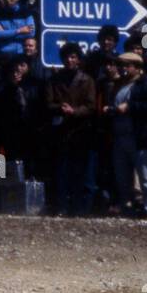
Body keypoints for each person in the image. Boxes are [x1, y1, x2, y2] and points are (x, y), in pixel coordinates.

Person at [104, 52, 147, 218]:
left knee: (146, 176)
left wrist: (130, 107)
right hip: (119, 137)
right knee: (122, 176)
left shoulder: (146, 84)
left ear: (137, 68)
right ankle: (127, 209)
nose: (123, 69)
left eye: (127, 66)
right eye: (122, 65)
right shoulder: (118, 85)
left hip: (139, 137)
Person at [45, 42, 96, 215]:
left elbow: (90, 106)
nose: (70, 60)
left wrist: (74, 111)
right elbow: (47, 103)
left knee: (79, 171)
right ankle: (61, 207)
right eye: (67, 57)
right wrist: (60, 108)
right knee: (61, 171)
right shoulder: (54, 79)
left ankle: (78, 208)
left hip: (81, 131)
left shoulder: (87, 80)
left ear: (79, 60)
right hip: (60, 132)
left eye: (73, 57)